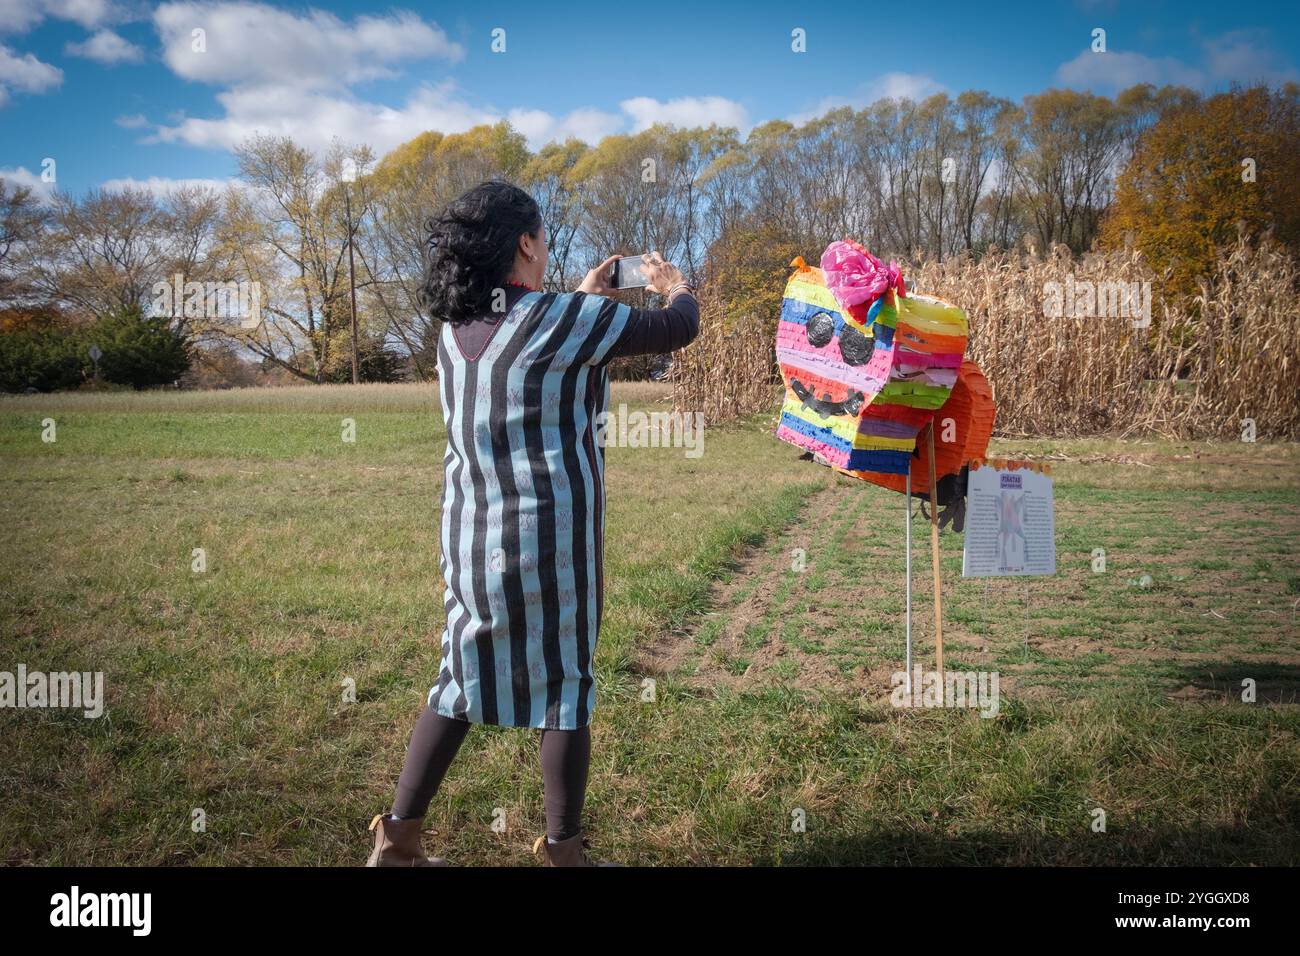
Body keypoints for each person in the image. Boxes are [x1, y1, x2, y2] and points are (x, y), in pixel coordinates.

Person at [366, 180, 699, 866]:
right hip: (549, 542)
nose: (545, 249)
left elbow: (551, 344)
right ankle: (562, 850)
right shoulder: (561, 318)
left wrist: (586, 297)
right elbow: (678, 328)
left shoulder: (454, 333)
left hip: (470, 539)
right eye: (542, 237)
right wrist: (674, 283)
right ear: (524, 242)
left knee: (458, 679)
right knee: (564, 686)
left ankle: (397, 837)